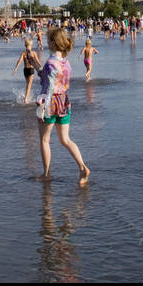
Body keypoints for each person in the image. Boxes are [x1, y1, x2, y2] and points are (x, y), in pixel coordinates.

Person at [36, 27, 90, 186]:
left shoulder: (51, 62)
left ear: (53, 42)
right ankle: (82, 167)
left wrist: (44, 106)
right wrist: (37, 67)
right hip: (64, 102)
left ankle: (46, 174)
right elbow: (50, 77)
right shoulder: (66, 63)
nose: (47, 42)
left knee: (44, 140)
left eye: (48, 40)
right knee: (65, 139)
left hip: (51, 102)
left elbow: (50, 85)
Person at [11, 37, 41, 104]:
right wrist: (42, 68)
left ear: (25, 45)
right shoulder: (33, 53)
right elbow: (38, 62)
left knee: (28, 84)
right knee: (29, 85)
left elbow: (19, 61)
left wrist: (16, 68)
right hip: (31, 70)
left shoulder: (23, 53)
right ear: (31, 45)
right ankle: (26, 99)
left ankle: (26, 97)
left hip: (25, 70)